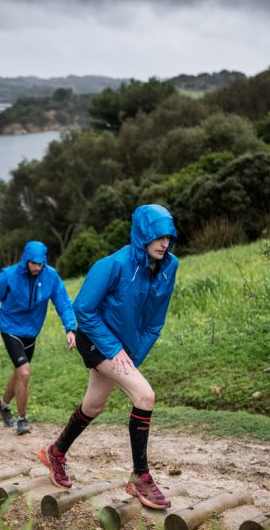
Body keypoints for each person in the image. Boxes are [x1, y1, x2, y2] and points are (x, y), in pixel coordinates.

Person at [38, 204, 178, 510]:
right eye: (157, 236)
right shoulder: (112, 265)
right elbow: (83, 310)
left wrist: (133, 355)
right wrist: (115, 351)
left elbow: (155, 321)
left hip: (124, 344)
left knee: (94, 404)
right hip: (94, 337)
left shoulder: (169, 267)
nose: (164, 242)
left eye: (168, 236)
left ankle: (55, 453)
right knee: (144, 396)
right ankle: (140, 477)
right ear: (143, 234)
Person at [0, 240, 76, 436]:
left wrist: (70, 328)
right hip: (10, 328)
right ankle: (23, 419)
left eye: (40, 263)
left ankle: (2, 406)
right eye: (33, 263)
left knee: (20, 373)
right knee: (25, 372)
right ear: (25, 260)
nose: (37, 267)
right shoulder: (8, 276)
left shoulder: (50, 276)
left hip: (31, 331)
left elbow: (63, 302)